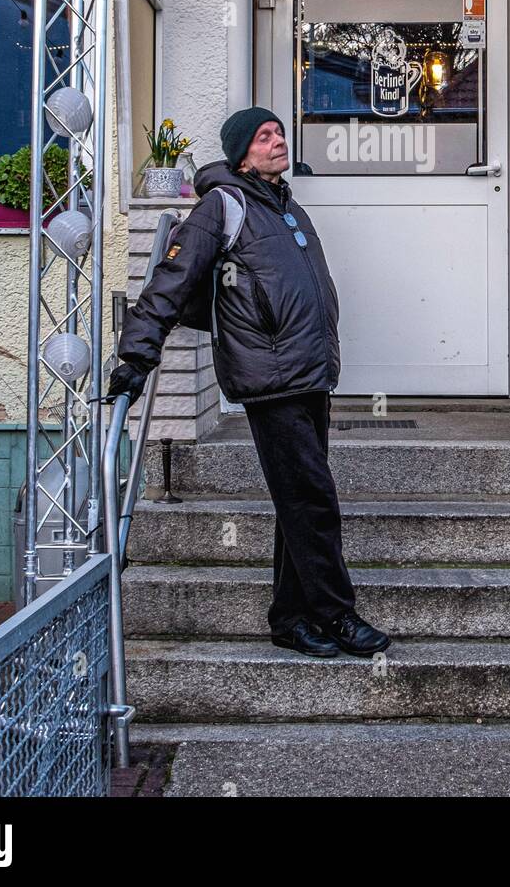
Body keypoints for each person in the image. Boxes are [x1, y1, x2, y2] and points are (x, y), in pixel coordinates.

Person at [107, 106, 391, 659]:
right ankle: (336, 613)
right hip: (271, 377)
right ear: (241, 153)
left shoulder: (286, 207)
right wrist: (137, 358)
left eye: (280, 132)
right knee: (313, 499)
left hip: (308, 373)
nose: (277, 140)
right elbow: (171, 280)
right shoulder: (224, 205)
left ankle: (290, 619)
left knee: (298, 501)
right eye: (264, 136)